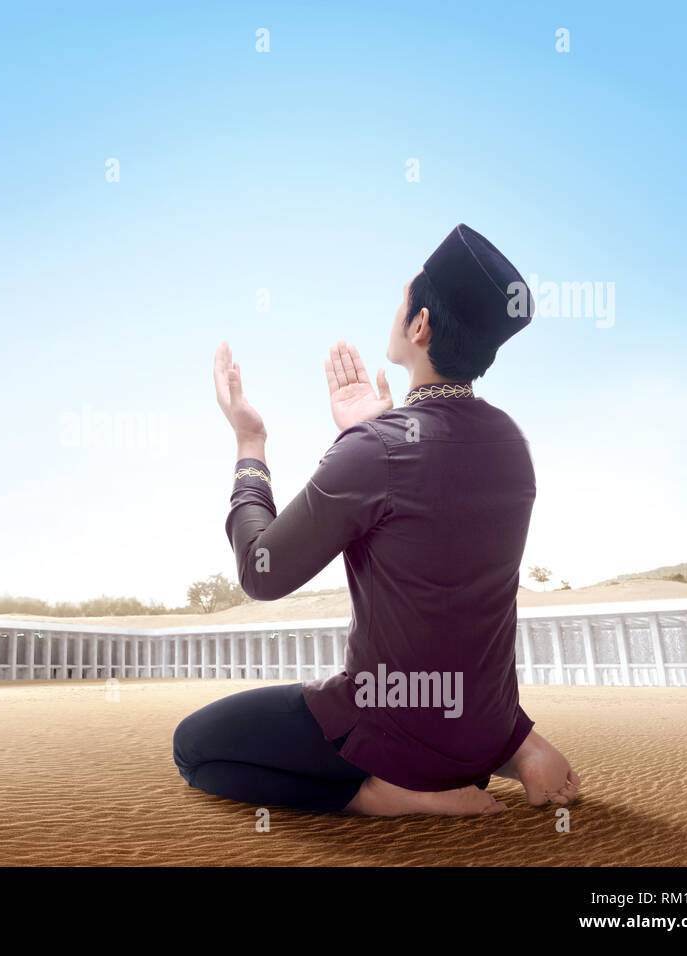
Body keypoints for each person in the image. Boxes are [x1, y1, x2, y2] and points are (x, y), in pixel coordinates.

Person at [173, 224, 580, 816]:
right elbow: (443, 563)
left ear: (420, 325)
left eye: (403, 297)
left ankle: (391, 795)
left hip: (399, 736)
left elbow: (260, 572)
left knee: (195, 750)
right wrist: (364, 432)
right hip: (484, 726)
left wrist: (250, 443)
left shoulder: (378, 449)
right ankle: (515, 748)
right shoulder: (511, 442)